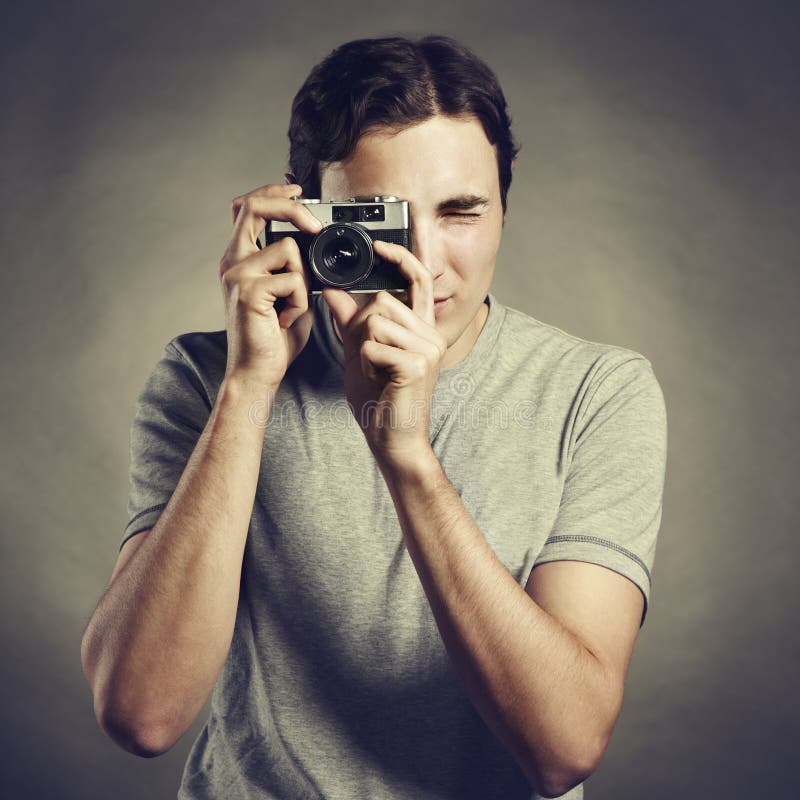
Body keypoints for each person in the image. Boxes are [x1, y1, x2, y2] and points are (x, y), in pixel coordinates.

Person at [81, 35, 667, 800]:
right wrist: (250, 387)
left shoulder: (597, 391)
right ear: (302, 213)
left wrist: (407, 455)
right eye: (379, 218)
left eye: (461, 211)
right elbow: (140, 715)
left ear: (504, 208)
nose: (422, 259)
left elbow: (564, 746)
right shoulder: (206, 378)